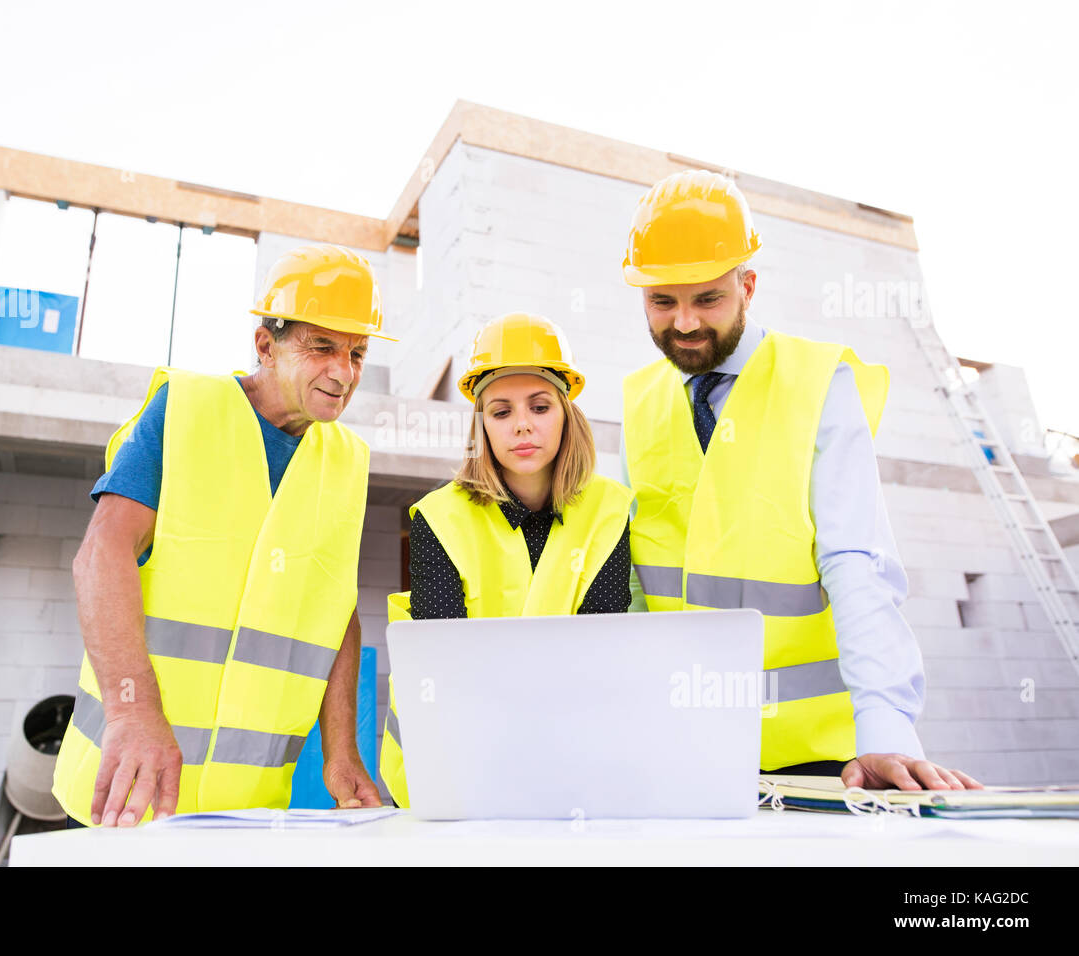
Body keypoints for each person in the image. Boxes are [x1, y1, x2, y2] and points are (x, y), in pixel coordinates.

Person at [618, 170, 981, 791]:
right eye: (662, 301)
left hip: (815, 758)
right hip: (684, 750)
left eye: (707, 298)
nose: (685, 322)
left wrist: (886, 728)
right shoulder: (639, 401)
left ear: (748, 286)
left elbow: (855, 563)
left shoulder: (818, 383)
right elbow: (634, 584)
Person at [52, 244, 394, 827]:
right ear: (266, 345)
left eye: (357, 353)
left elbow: (336, 609)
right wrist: (133, 715)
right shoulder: (186, 408)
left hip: (248, 807)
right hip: (128, 792)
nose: (344, 372)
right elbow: (101, 554)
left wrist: (341, 751)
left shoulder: (347, 461)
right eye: (322, 347)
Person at [379, 312, 633, 807]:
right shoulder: (439, 518)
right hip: (445, 771)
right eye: (500, 412)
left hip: (565, 770)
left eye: (540, 406)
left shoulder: (610, 509)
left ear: (566, 414)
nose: (522, 424)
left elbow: (599, 659)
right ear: (482, 427)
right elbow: (446, 669)